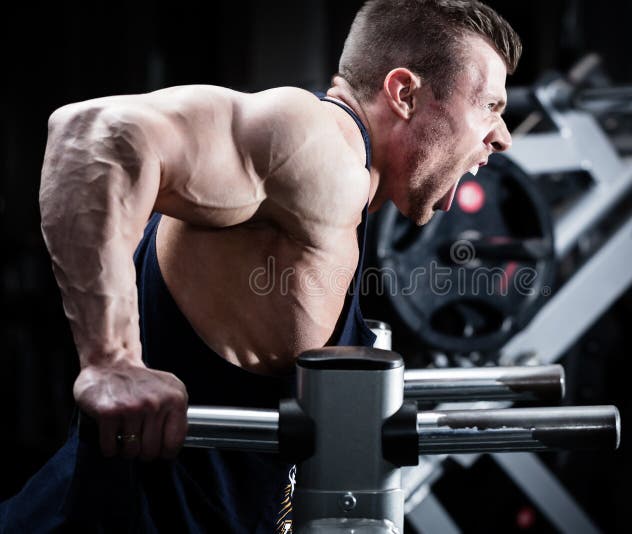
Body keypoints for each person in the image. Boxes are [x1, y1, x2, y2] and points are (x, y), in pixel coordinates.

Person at [0, 0, 520, 531]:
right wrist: (112, 362)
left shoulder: (347, 193)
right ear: (404, 93)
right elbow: (92, 131)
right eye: (489, 106)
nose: (502, 137)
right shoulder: (320, 145)